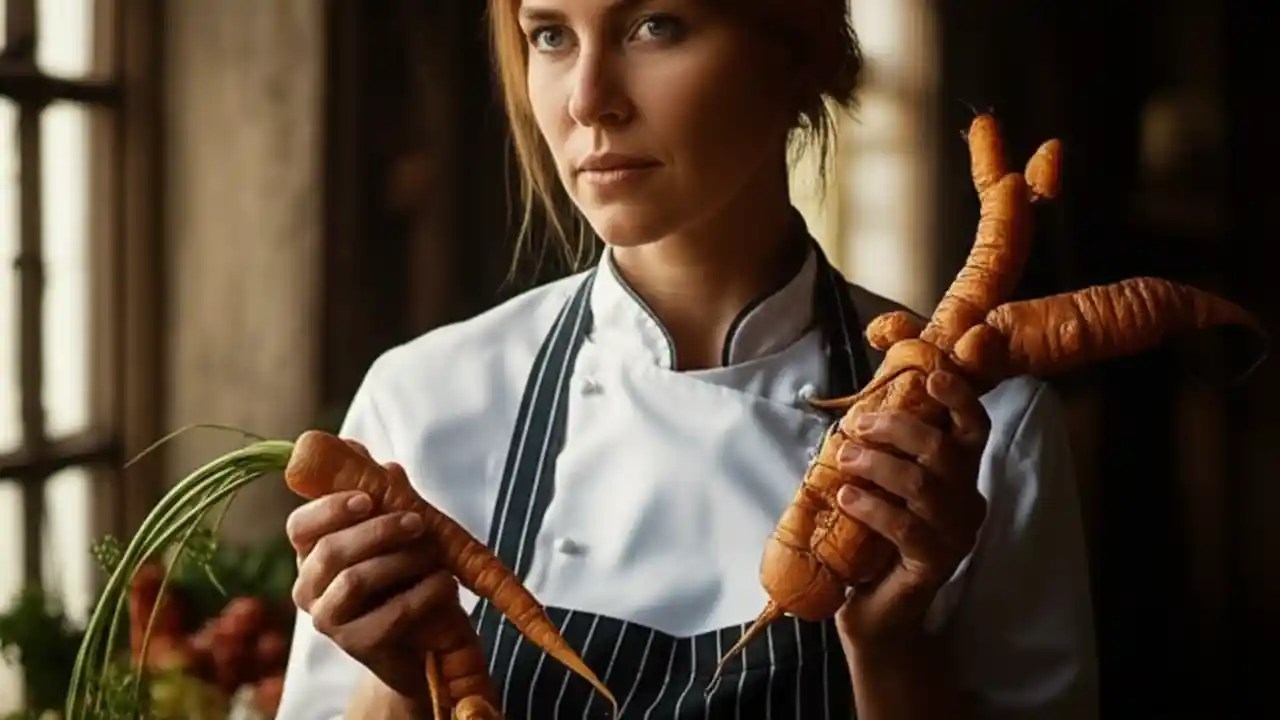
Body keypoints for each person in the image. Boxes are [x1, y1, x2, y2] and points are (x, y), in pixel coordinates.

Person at [275, 0, 1099, 717]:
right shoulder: (419, 405)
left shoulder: (985, 431)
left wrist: (890, 648)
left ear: (796, 48)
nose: (588, 100)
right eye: (551, 35)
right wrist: (399, 687)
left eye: (654, 26)